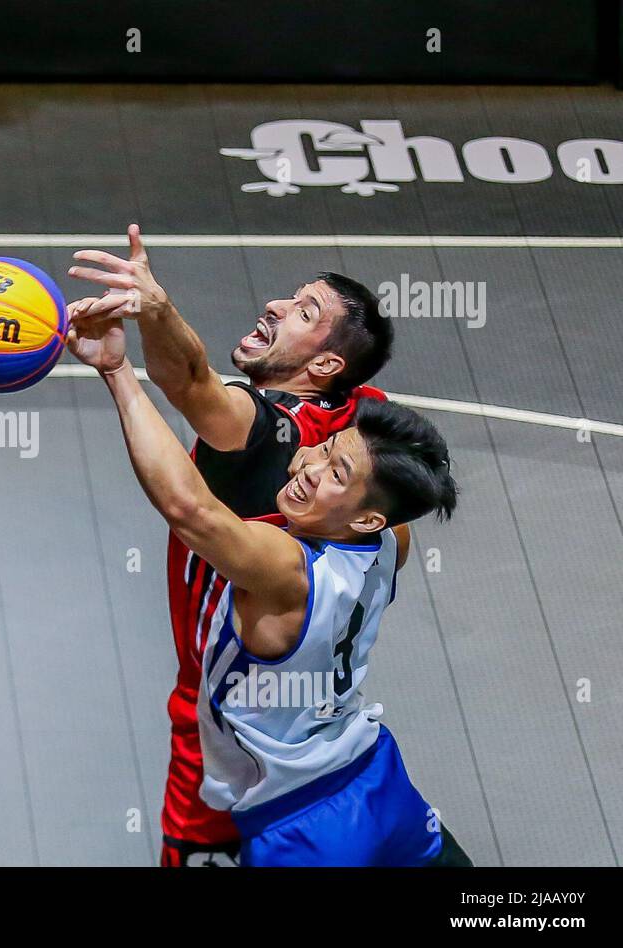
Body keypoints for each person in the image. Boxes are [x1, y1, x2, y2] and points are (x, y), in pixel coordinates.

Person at [65, 304, 472, 866]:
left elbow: (191, 510)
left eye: (335, 475)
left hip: (304, 826)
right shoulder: (389, 544)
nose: (307, 465)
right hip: (376, 776)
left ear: (366, 517)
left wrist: (117, 375)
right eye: (324, 451)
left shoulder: (285, 571)